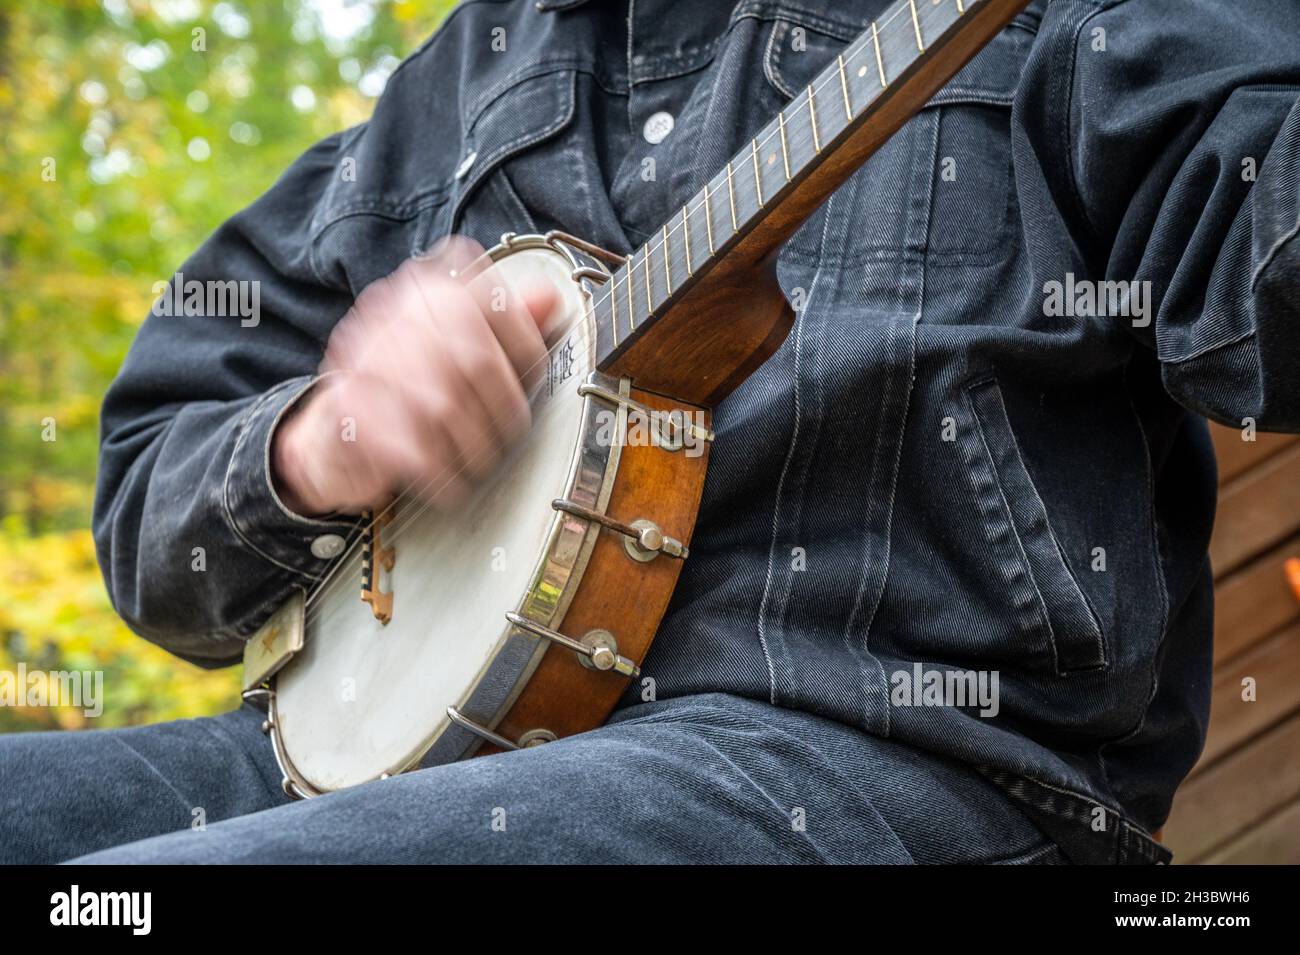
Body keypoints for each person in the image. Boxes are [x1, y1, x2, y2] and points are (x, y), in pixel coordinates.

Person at [3, 0, 1297, 864]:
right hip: (351, 758)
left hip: (888, 762)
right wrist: (324, 439)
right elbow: (149, 515)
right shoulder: (460, 75)